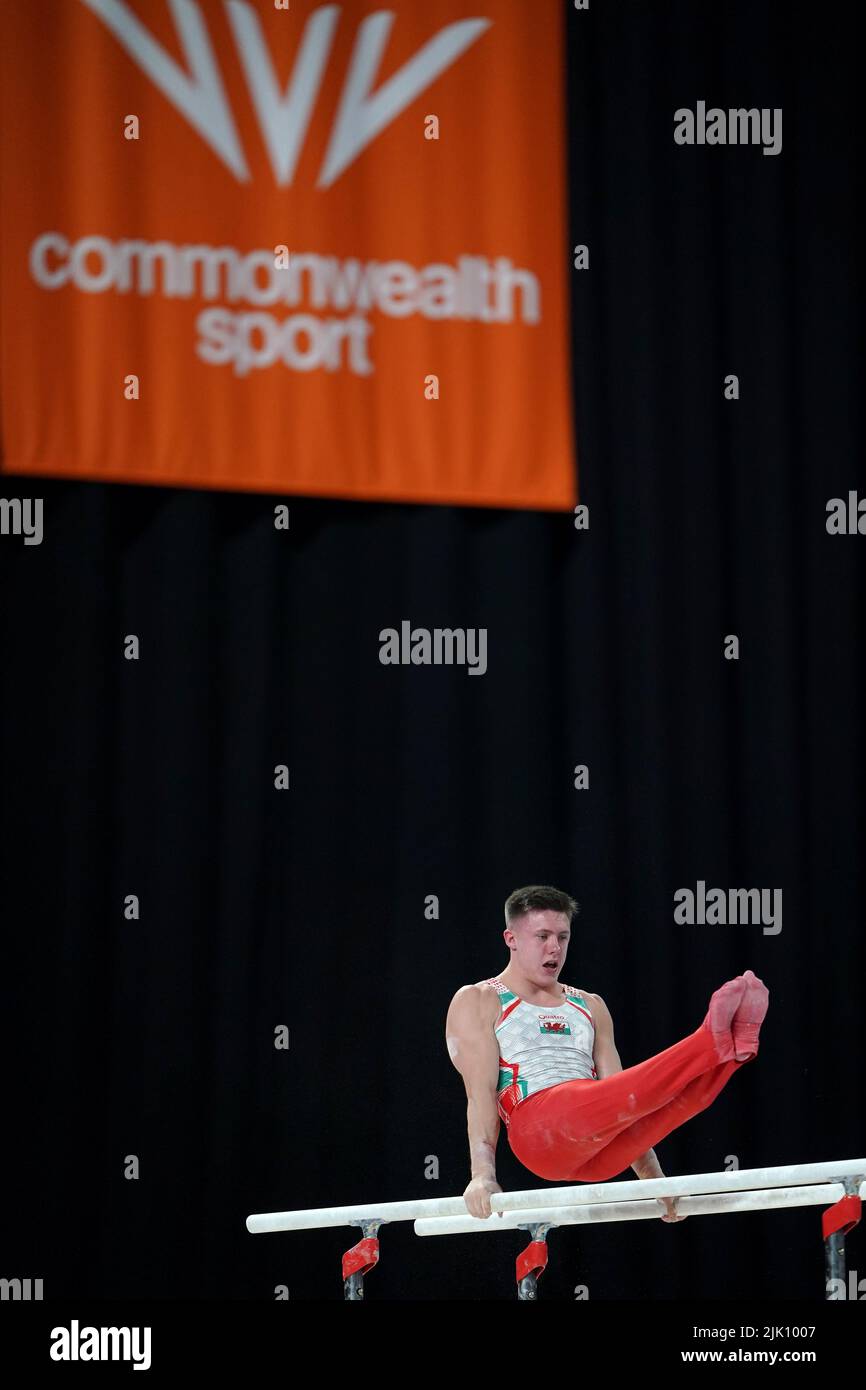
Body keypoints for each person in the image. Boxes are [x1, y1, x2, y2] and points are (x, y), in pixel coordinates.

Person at [445, 885, 769, 1223]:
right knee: (613, 1096)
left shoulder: (591, 1005)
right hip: (539, 1132)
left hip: (598, 1147)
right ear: (511, 939)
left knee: (678, 1103)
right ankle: (707, 1042)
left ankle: (731, 1054)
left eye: (563, 937)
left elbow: (629, 1101)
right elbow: (479, 1095)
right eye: (542, 936)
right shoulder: (480, 1000)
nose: (554, 948)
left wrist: (654, 1182)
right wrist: (482, 1176)